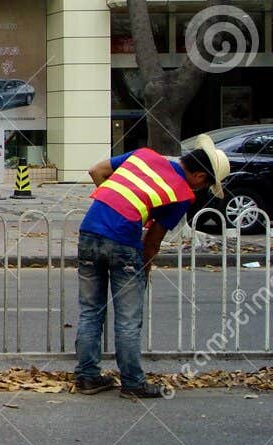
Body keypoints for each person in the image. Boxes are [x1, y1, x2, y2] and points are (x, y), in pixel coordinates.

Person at [75, 134, 227, 400]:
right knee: (128, 320)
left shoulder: (143, 155)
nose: (201, 191)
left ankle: (87, 377)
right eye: (205, 186)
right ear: (201, 177)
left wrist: (115, 204)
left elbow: (96, 170)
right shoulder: (182, 195)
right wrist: (143, 270)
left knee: (90, 312)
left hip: (89, 232)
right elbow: (152, 242)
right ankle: (133, 382)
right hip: (123, 243)